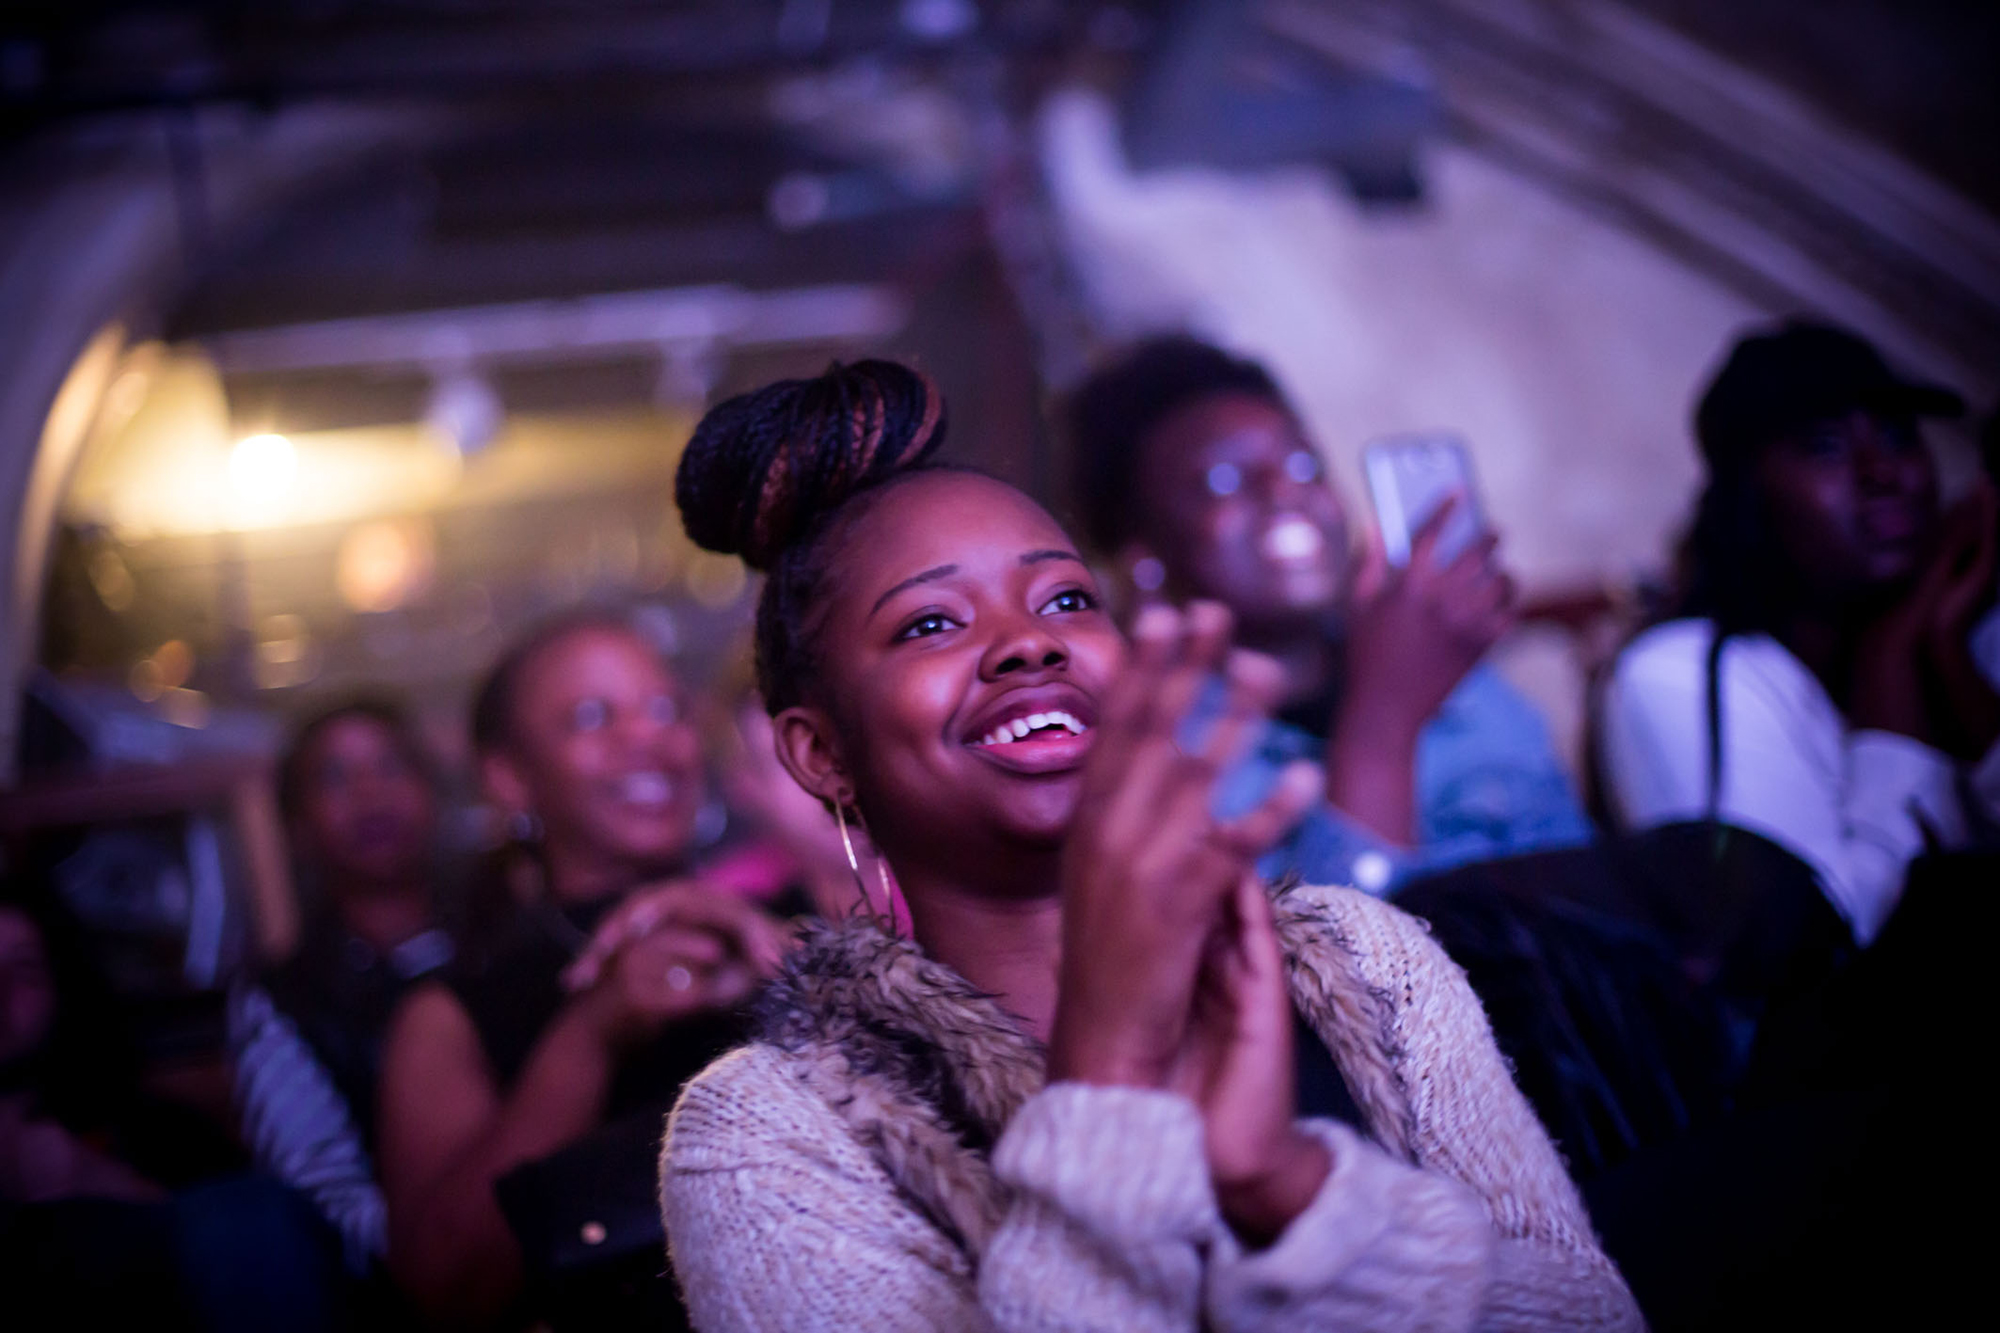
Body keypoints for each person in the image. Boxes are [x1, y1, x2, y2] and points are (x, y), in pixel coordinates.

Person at [658, 361, 1639, 1330]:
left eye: (1065, 602)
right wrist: (1112, 1088)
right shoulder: (764, 1135)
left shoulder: (1363, 958)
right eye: (928, 623)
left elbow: (1590, 1318)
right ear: (821, 752)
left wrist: (1287, 1192)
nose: (1026, 644)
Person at [376, 615, 791, 1330]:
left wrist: (788, 958)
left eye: (666, 710)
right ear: (510, 778)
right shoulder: (451, 1011)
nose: (648, 738)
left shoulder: (787, 921)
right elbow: (446, 1285)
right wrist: (592, 1032)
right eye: (593, 717)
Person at [1067, 337, 1589, 894]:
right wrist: (1382, 727)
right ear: (1144, 556)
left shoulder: (1469, 692)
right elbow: (1330, 974)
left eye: (1302, 464)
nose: (1284, 490)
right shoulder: (1164, 762)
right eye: (1223, 480)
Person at [1596, 320, 2000, 945]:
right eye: (1826, 447)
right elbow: (1798, 961)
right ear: (1746, 502)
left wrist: (1943, 654)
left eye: (1898, 437)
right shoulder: (1683, 673)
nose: (1883, 473)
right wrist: (1889, 668)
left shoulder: (1970, 639)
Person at [228, 698, 459, 1271]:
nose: (370, 796)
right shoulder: (283, 998)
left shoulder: (510, 938)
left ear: (432, 794)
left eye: (390, 767)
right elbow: (323, 1200)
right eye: (334, 778)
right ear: (299, 829)